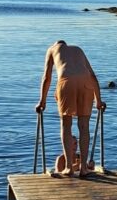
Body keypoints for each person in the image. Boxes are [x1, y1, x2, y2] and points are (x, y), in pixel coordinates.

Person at [36, 41, 105, 178]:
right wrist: (98, 100)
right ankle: (84, 168)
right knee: (84, 126)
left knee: (66, 124)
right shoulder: (78, 49)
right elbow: (92, 75)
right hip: (85, 81)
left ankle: (69, 167)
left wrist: (42, 101)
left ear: (56, 44)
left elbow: (47, 77)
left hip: (66, 81)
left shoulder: (52, 50)